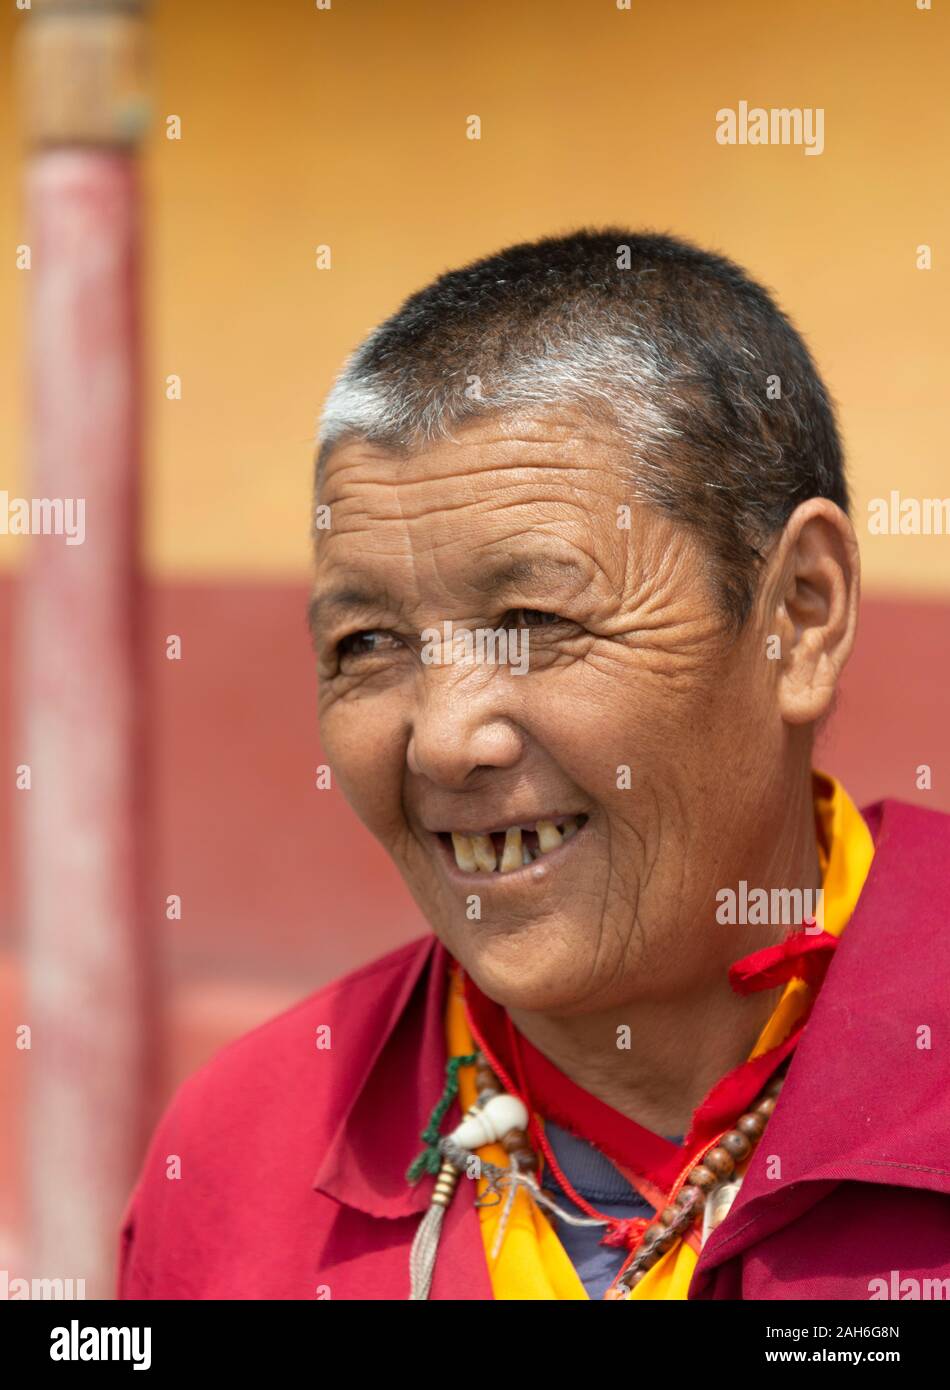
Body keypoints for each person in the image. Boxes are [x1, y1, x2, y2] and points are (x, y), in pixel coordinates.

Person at [117, 228, 950, 1300]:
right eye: (367, 643)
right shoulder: (248, 1154)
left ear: (798, 612)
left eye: (532, 618)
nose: (444, 739)